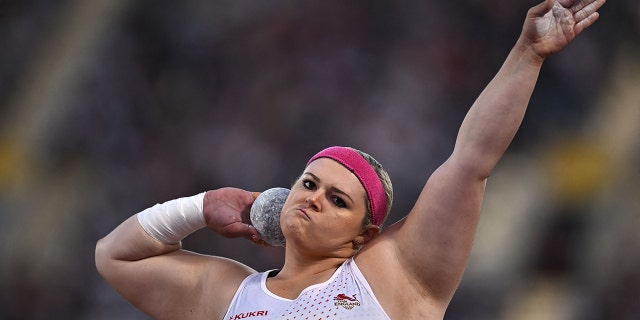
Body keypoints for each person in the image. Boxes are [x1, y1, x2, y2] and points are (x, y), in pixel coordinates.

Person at [95, 0, 606, 319]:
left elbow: (471, 159)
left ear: (362, 236)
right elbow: (113, 257)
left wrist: (528, 54)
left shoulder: (394, 276)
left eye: (337, 200)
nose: (314, 199)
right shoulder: (225, 295)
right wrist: (201, 207)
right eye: (310, 183)